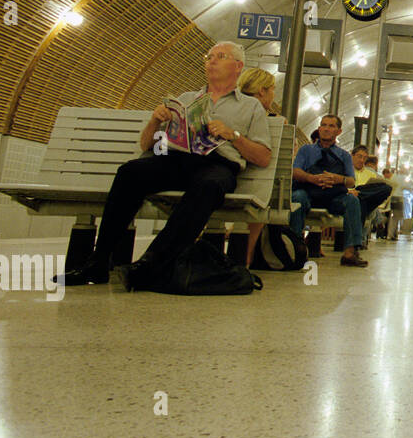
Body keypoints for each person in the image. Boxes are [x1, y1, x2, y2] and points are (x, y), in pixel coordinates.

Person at [55, 42, 272, 287]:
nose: (211, 60)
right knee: (130, 172)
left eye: (220, 57)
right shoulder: (187, 99)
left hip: (218, 164)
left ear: (238, 66)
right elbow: (147, 145)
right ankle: (98, 262)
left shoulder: (250, 106)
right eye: (209, 56)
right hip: (177, 159)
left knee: (208, 186)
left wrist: (232, 135)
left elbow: (263, 156)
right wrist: (154, 122)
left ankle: (151, 263)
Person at [292, 114, 366, 267]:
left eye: (331, 126)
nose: (326, 129)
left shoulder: (344, 156)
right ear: (319, 128)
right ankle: (294, 246)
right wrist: (312, 178)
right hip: (309, 193)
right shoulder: (306, 150)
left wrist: (336, 178)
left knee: (352, 200)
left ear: (338, 131)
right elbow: (295, 171)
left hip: (333, 197)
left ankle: (350, 253)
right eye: (323, 125)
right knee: (297, 197)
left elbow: (351, 181)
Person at [235, 66, 277, 266]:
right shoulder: (272, 120)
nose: (273, 94)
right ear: (262, 91)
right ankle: (247, 257)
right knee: (262, 188)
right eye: (272, 89)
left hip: (212, 178)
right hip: (254, 186)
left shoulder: (225, 106)